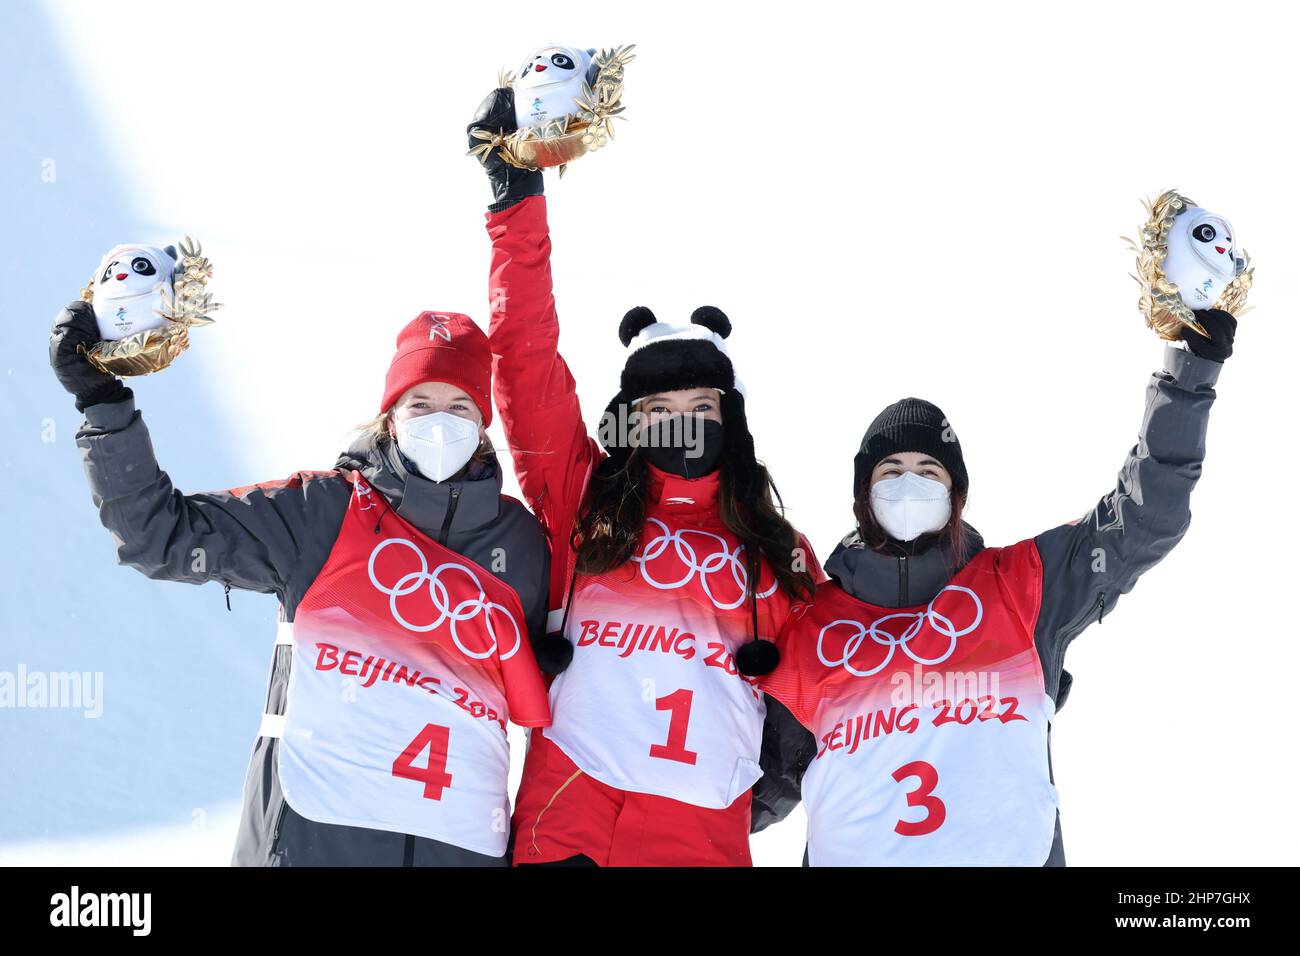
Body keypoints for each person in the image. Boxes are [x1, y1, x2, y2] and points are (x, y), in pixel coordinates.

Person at [49, 300, 553, 866]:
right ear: (391, 417)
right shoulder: (320, 512)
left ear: (482, 425)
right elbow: (160, 535)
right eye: (421, 404)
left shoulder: (522, 544)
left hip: (460, 848)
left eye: (460, 406)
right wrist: (103, 403)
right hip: (315, 837)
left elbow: (559, 691)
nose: (441, 423)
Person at [468, 88, 820, 866]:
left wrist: (1003, 673)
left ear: (732, 419)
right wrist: (516, 201)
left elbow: (854, 663)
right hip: (568, 810)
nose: (682, 424)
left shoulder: (777, 549)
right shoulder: (583, 497)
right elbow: (525, 359)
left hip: (703, 827)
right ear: (629, 420)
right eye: (659, 410)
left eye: (702, 407)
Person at [761, 308, 1239, 866]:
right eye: (890, 470)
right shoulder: (811, 625)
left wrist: (1189, 375)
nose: (909, 484)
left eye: (929, 471)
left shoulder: (1022, 586)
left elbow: (1143, 518)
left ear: (956, 493)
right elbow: (744, 788)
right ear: (862, 494)